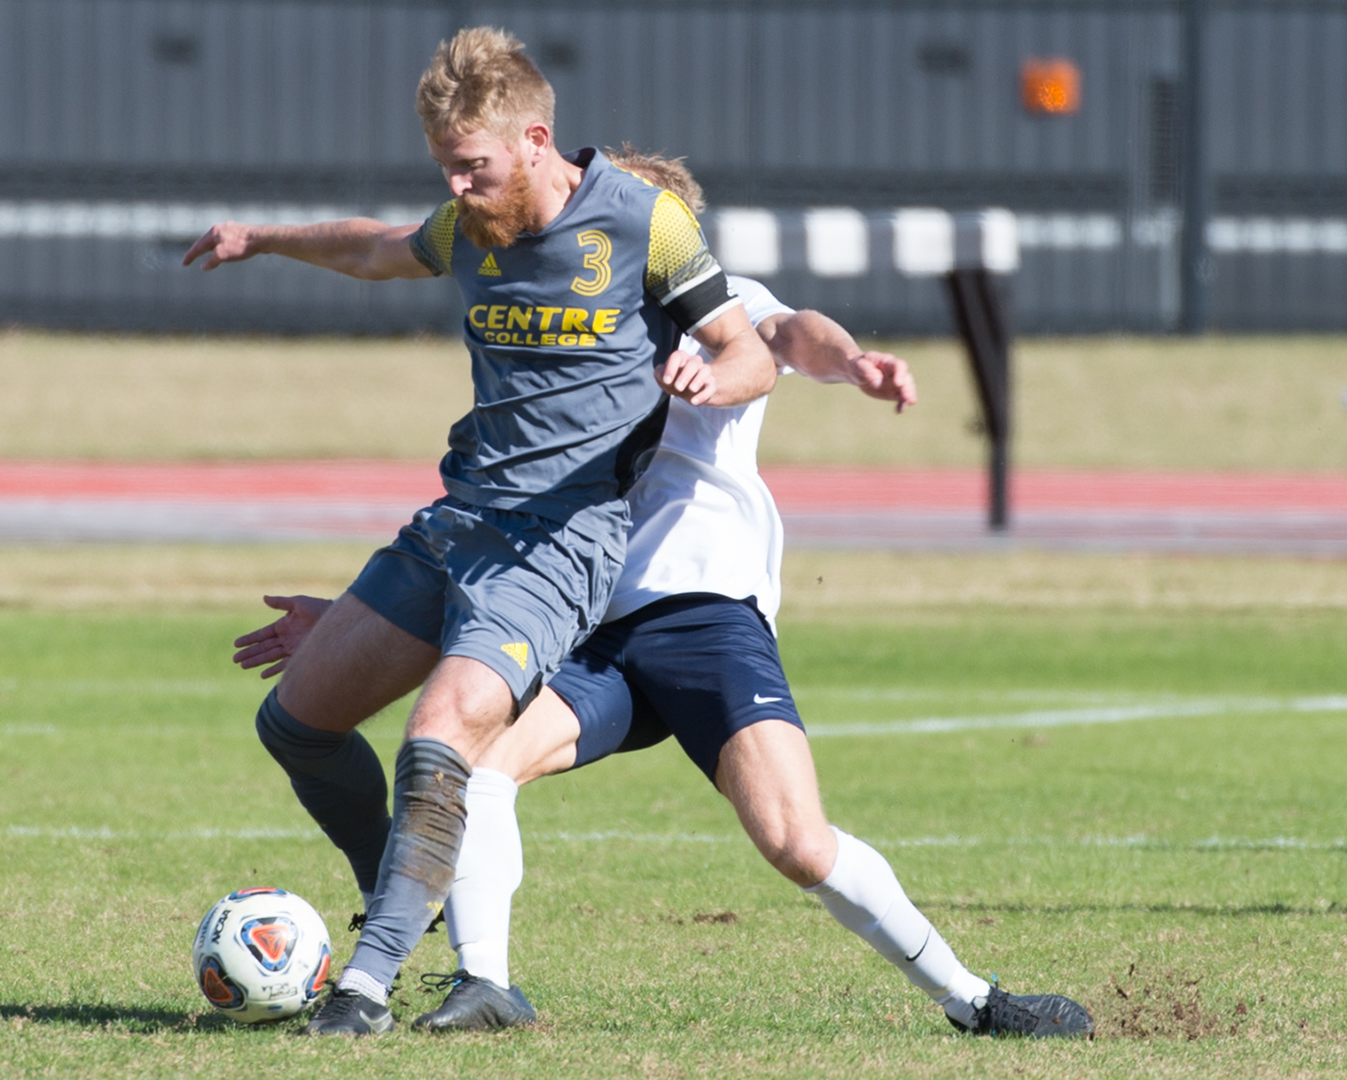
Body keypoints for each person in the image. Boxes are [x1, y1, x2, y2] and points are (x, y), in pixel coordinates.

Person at [234, 152, 1094, 1040]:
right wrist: (350, 620)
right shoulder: (564, 316)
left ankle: (975, 1001)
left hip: (701, 616)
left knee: (796, 841)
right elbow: (494, 513)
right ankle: (484, 983)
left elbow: (792, 334)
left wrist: (855, 364)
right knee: (480, 767)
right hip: (589, 623)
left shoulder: (718, 307)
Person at [186, 28, 775, 1035]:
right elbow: (378, 248)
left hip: (561, 544)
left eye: (475, 166)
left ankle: (364, 987)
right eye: (445, 167)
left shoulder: (646, 224)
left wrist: (706, 376)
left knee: (441, 732)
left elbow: (749, 350)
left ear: (537, 141)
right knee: (295, 721)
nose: (458, 187)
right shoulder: (472, 228)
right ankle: (399, 893)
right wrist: (264, 239)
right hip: (457, 523)